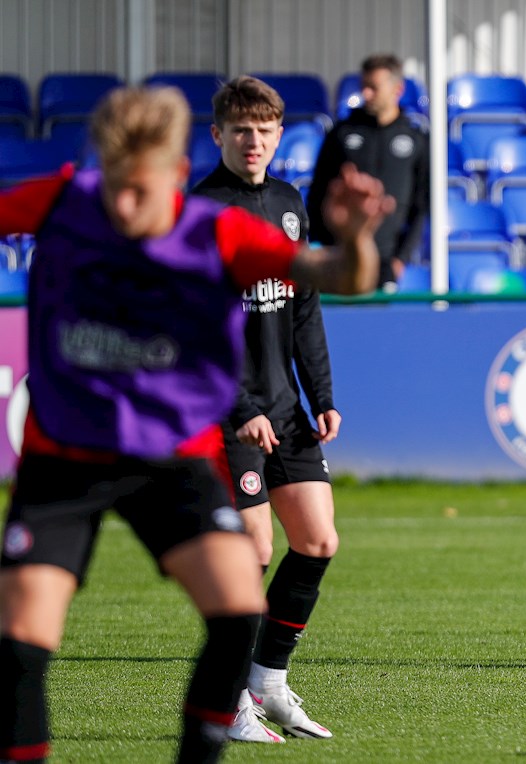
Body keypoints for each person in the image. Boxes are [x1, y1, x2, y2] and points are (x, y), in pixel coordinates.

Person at [0, 86, 391, 764]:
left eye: (140, 192)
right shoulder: (63, 200)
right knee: (21, 641)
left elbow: (338, 276)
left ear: (176, 178)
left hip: (170, 458)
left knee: (239, 611)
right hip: (63, 457)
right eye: (114, 188)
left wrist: (357, 238)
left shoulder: (215, 230)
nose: (123, 207)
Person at [191, 76, 338, 744]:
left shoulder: (287, 202)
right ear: (218, 134)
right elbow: (195, 328)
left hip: (287, 409)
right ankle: (226, 705)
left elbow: (304, 306)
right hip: (228, 412)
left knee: (317, 542)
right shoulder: (198, 213)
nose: (253, 142)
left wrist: (324, 397)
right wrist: (242, 405)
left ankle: (268, 682)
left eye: (265, 131)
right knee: (251, 551)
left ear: (280, 136)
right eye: (241, 131)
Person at [307, 53, 429, 291]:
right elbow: (318, 193)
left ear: (398, 90)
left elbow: (421, 206)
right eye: (363, 87)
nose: (366, 94)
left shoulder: (417, 140)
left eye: (373, 87)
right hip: (342, 257)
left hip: (386, 263)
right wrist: (322, 244)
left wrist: (400, 259)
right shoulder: (341, 134)